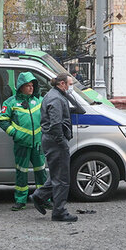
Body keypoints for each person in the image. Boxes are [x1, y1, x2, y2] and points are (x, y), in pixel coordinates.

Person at [31, 73, 77, 222]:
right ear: (62, 84)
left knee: (57, 174)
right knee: (62, 179)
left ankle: (39, 196)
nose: (71, 88)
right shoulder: (56, 98)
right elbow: (56, 124)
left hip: (51, 140)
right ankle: (59, 212)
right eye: (70, 84)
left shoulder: (55, 95)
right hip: (55, 141)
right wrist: (62, 143)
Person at [0, 71, 47, 211]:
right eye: (27, 85)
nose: (31, 88)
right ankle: (20, 200)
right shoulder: (11, 102)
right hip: (22, 144)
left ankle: (44, 199)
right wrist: (15, 134)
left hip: (37, 143)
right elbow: (3, 121)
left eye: (32, 85)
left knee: (41, 172)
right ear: (20, 87)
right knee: (21, 173)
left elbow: (47, 117)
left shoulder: (39, 100)